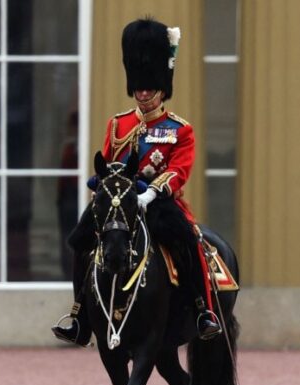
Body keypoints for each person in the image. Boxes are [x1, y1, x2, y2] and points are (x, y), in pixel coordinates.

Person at [53, 17, 222, 346]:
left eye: (150, 87)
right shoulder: (118, 124)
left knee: (189, 241)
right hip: (121, 200)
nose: (143, 93)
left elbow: (180, 170)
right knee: (79, 241)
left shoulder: (179, 129)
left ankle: (204, 311)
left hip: (158, 203)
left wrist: (153, 190)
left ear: (163, 88)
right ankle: (78, 316)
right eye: (139, 87)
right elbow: (106, 161)